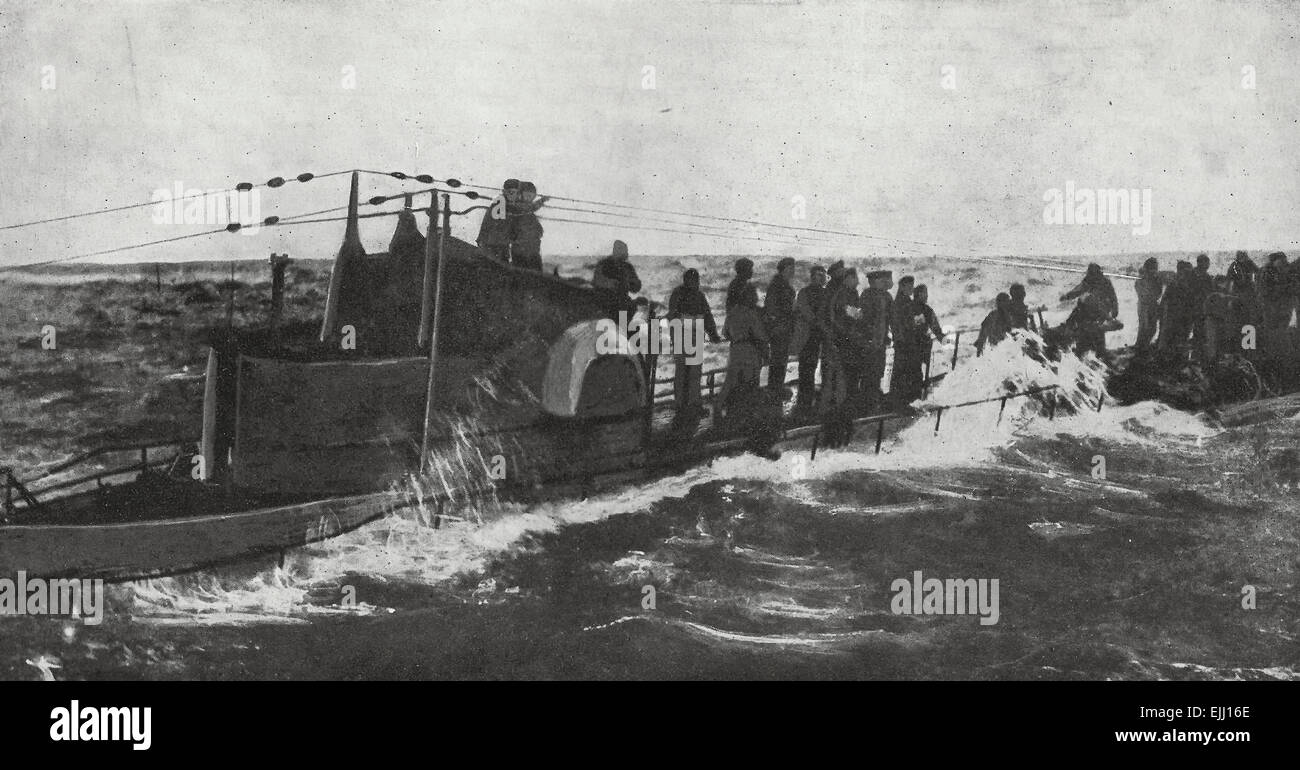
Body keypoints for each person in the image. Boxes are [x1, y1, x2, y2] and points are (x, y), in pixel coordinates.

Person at [667, 268, 722, 413]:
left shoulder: (681, 294)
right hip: (686, 334)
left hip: (687, 334)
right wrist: (713, 334)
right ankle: (689, 403)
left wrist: (712, 333)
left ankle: (685, 403)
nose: (696, 283)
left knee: (687, 371)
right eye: (694, 280)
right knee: (690, 371)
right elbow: (706, 316)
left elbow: (706, 316)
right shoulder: (695, 295)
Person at [716, 284, 768, 420]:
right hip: (749, 351)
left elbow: (725, 333)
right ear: (749, 297)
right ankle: (748, 413)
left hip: (735, 350)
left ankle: (718, 407)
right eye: (754, 296)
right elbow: (760, 335)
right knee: (750, 382)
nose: (756, 298)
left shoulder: (732, 312)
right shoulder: (751, 314)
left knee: (730, 381)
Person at [824, 267, 864, 411]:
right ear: (848, 278)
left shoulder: (851, 293)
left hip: (850, 339)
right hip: (844, 340)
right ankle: (843, 405)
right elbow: (848, 316)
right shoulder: (843, 294)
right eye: (855, 279)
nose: (858, 282)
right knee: (845, 373)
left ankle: (847, 403)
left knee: (851, 373)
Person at [791, 265, 829, 409]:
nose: (824, 278)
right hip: (809, 336)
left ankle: (807, 400)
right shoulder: (804, 293)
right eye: (822, 275)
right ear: (815, 276)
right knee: (807, 368)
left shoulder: (823, 293)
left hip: (819, 335)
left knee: (810, 368)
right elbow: (807, 314)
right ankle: (804, 402)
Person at [1059, 263, 1118, 354]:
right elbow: (1078, 291)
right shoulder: (1089, 280)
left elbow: (1113, 297)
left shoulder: (1105, 282)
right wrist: (1067, 296)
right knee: (1076, 320)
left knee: (1094, 330)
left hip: (1099, 312)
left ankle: (1093, 350)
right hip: (1090, 310)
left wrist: (1114, 311)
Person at [859, 270, 893, 411]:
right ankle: (867, 401)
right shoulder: (867, 295)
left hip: (880, 341)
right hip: (870, 341)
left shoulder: (886, 296)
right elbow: (864, 320)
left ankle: (873, 398)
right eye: (882, 279)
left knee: (878, 370)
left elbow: (891, 318)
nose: (886, 282)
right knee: (868, 371)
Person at [763, 258, 797, 397]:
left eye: (793, 268)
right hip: (779, 328)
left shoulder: (782, 284)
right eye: (790, 268)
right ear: (783, 269)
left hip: (783, 327)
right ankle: (775, 388)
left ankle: (777, 387)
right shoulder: (778, 286)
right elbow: (771, 308)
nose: (793, 271)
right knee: (778, 359)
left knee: (781, 359)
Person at [910, 284, 946, 393]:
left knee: (912, 372)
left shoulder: (908, 307)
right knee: (917, 372)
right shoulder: (927, 310)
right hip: (919, 346)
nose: (927, 296)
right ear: (919, 294)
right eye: (925, 293)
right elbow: (936, 329)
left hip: (910, 346)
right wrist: (946, 341)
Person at [888, 276, 917, 404]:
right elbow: (897, 324)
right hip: (903, 343)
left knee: (903, 372)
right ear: (902, 287)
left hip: (905, 342)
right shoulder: (900, 303)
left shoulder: (906, 301)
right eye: (909, 287)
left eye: (912, 286)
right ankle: (900, 401)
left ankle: (901, 400)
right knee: (902, 372)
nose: (912, 289)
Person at [592, 240, 642, 314]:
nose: (627, 254)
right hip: (606, 303)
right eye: (624, 251)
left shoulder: (627, 267)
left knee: (644, 304)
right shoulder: (604, 265)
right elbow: (597, 282)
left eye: (626, 251)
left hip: (623, 302)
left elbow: (635, 288)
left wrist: (634, 283)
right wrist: (612, 283)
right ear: (616, 251)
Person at [476, 179, 520, 261]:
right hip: (491, 245)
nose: (514, 196)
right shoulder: (499, 204)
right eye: (511, 192)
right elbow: (486, 223)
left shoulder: (510, 206)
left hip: (502, 246)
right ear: (504, 191)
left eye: (516, 193)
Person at [508, 181, 549, 271]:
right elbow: (529, 207)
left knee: (535, 271)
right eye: (527, 195)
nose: (529, 198)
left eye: (532, 196)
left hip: (533, 249)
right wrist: (541, 201)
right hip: (520, 250)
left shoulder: (529, 212)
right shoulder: (516, 207)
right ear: (520, 195)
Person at [1157, 261, 1195, 355]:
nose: (1186, 274)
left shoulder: (1188, 284)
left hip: (1183, 316)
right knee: (1170, 338)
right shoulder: (1174, 284)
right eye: (1184, 272)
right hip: (1173, 316)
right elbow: (1165, 301)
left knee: (1180, 338)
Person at [1134, 257, 1166, 350]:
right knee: (1145, 327)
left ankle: (1142, 346)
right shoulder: (1142, 279)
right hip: (1144, 306)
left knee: (1151, 328)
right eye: (1153, 267)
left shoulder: (1156, 279)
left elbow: (1158, 293)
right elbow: (1139, 291)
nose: (1154, 270)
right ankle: (1141, 346)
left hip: (1151, 305)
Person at [1259, 251, 1292, 330]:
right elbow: (1264, 287)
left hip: (1280, 299)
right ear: (1275, 260)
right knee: (1270, 321)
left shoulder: (1283, 268)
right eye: (1281, 260)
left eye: (1284, 260)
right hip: (1269, 299)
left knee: (1282, 320)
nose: (1284, 262)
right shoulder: (1267, 270)